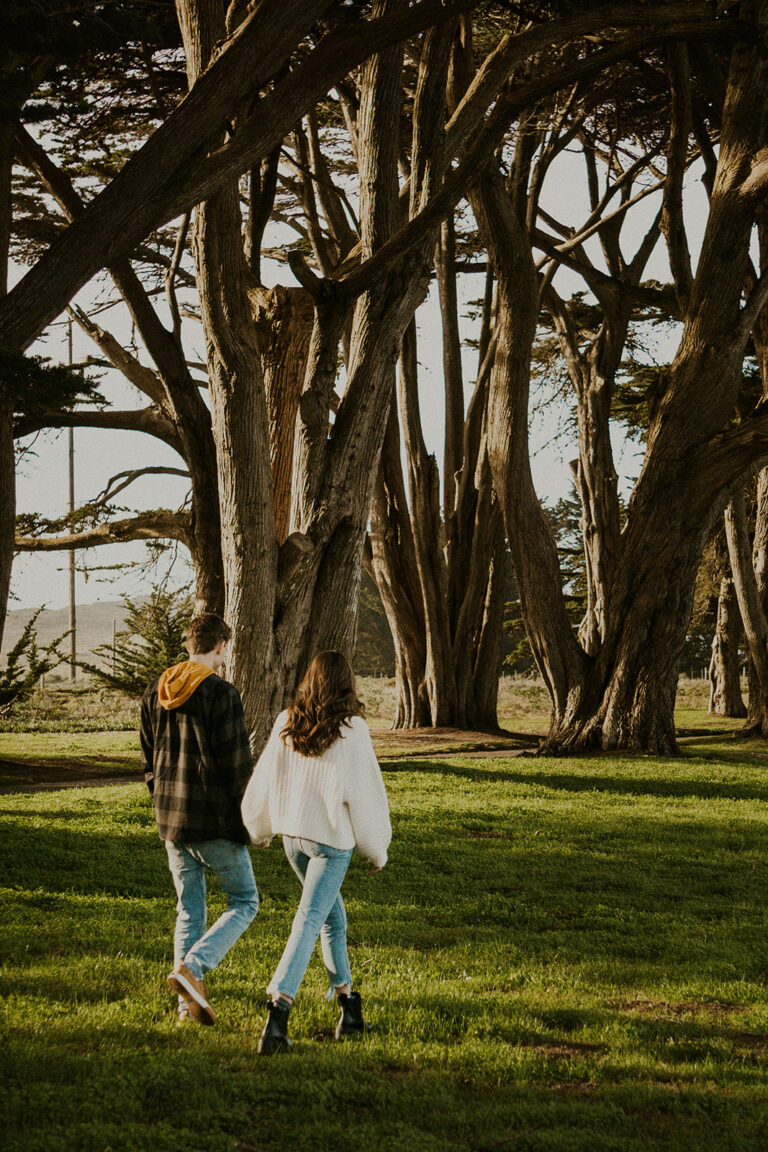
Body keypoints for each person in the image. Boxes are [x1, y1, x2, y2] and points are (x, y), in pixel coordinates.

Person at [241, 650, 391, 1055]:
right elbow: (367, 795)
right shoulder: (352, 729)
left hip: (294, 839)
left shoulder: (287, 721)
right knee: (310, 920)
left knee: (331, 918)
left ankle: (348, 1008)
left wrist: (258, 826)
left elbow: (265, 777)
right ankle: (278, 1010)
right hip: (330, 843)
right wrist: (377, 851)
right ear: (347, 683)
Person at [140, 612, 258, 1026]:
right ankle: (194, 968)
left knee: (190, 909)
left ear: (189, 644)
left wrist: (161, 803)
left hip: (171, 821)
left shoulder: (155, 690)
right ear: (221, 646)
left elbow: (149, 760)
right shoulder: (222, 694)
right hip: (213, 823)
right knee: (245, 902)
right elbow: (237, 768)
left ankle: (184, 1009)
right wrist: (253, 825)